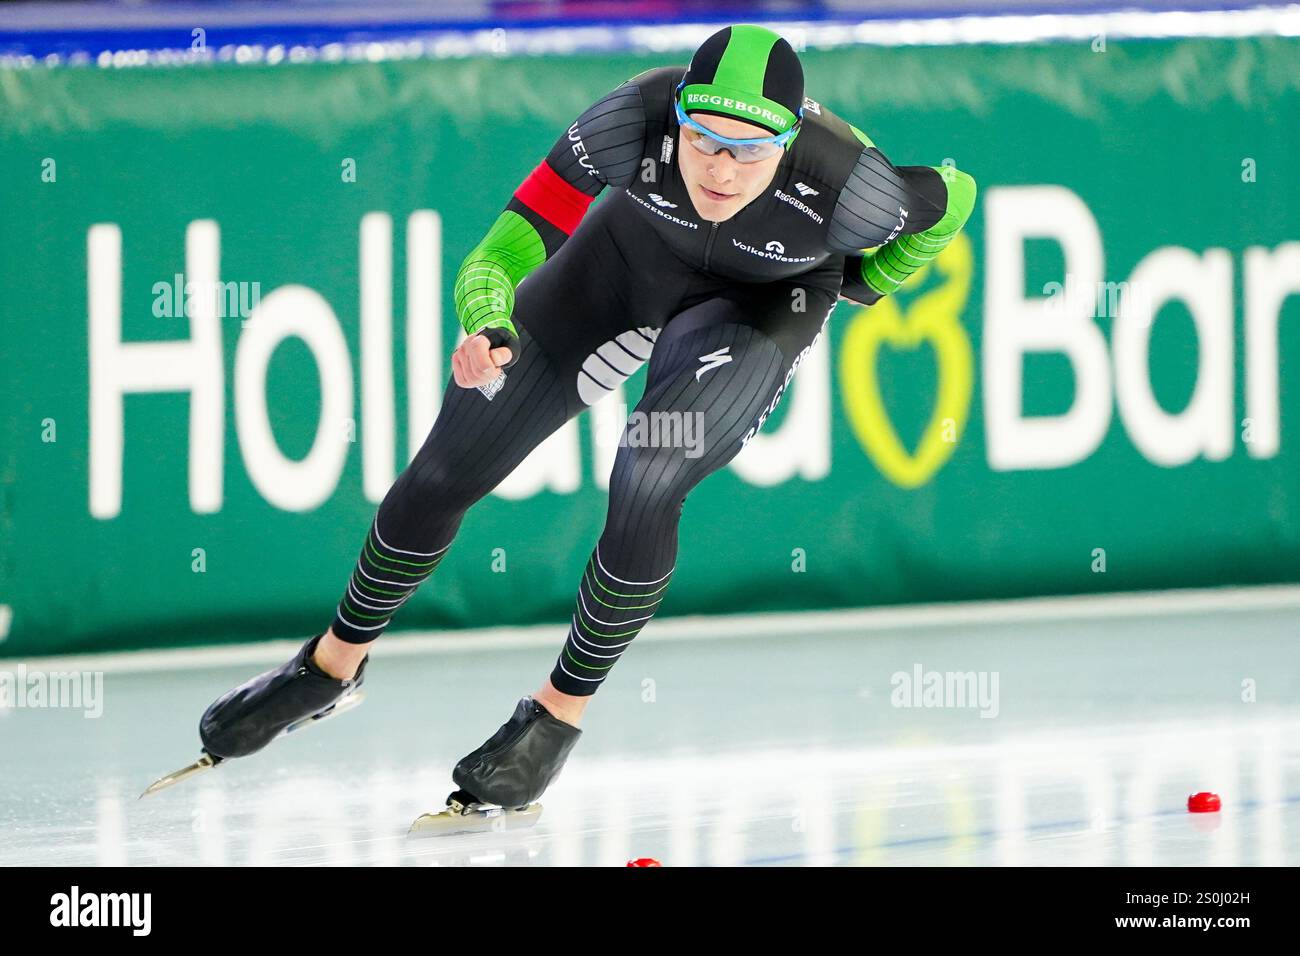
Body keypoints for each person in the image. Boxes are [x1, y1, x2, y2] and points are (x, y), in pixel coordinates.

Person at [195, 24, 977, 811]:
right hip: (625, 263)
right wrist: (486, 319)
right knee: (446, 466)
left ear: (790, 141)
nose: (721, 168)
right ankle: (330, 667)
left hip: (760, 305)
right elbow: (505, 246)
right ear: (678, 114)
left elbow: (954, 197)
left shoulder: (854, 189)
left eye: (750, 150)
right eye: (703, 138)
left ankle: (556, 715)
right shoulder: (628, 118)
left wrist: (867, 284)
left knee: (648, 470)